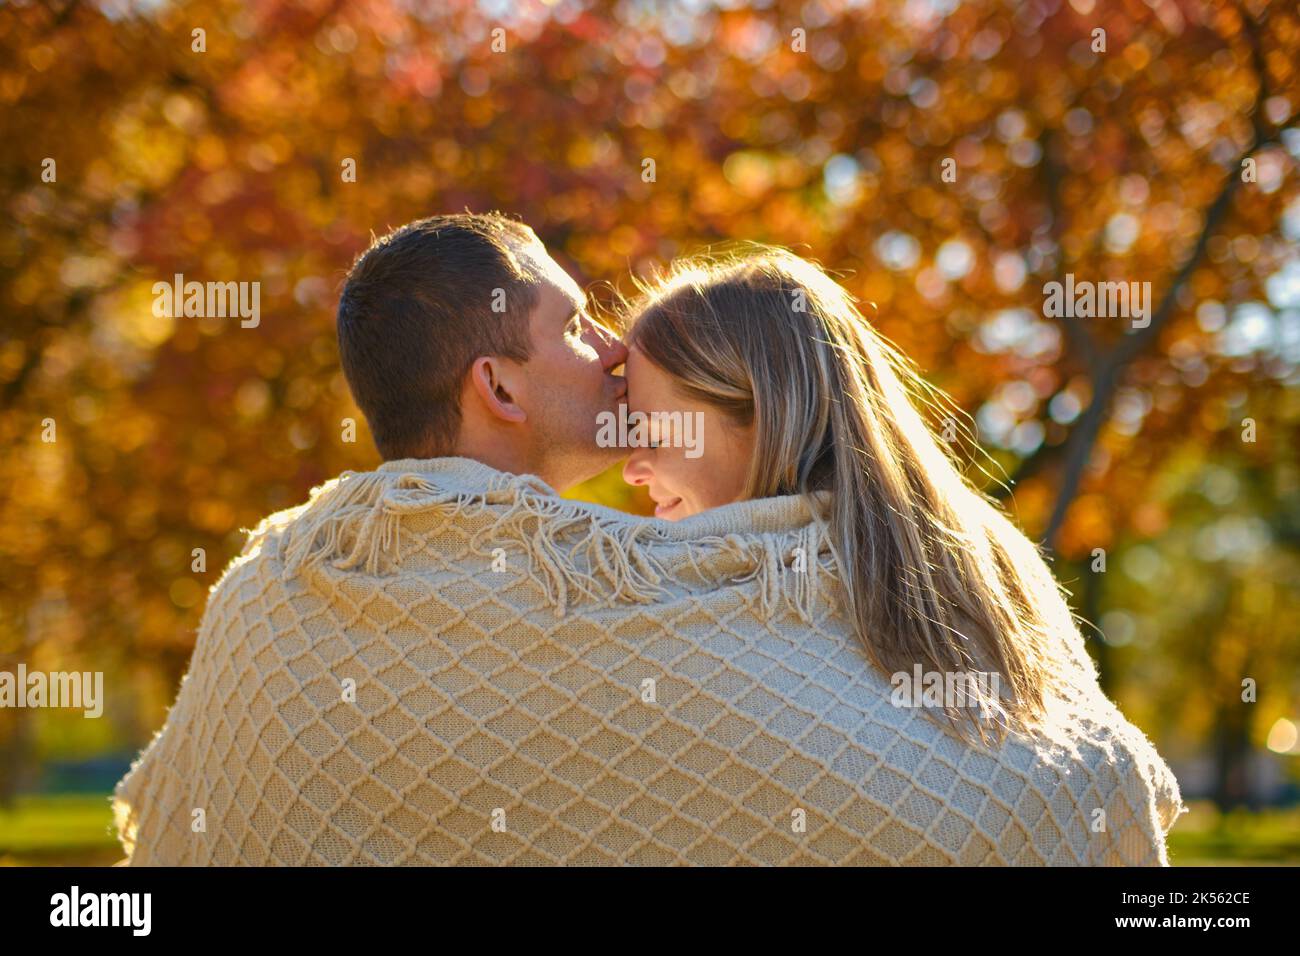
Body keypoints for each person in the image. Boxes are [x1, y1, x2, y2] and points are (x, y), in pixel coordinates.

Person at [113, 214, 1184, 865]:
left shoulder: (271, 584)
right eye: (577, 326)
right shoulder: (664, 592)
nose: (611, 347)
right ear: (496, 384)